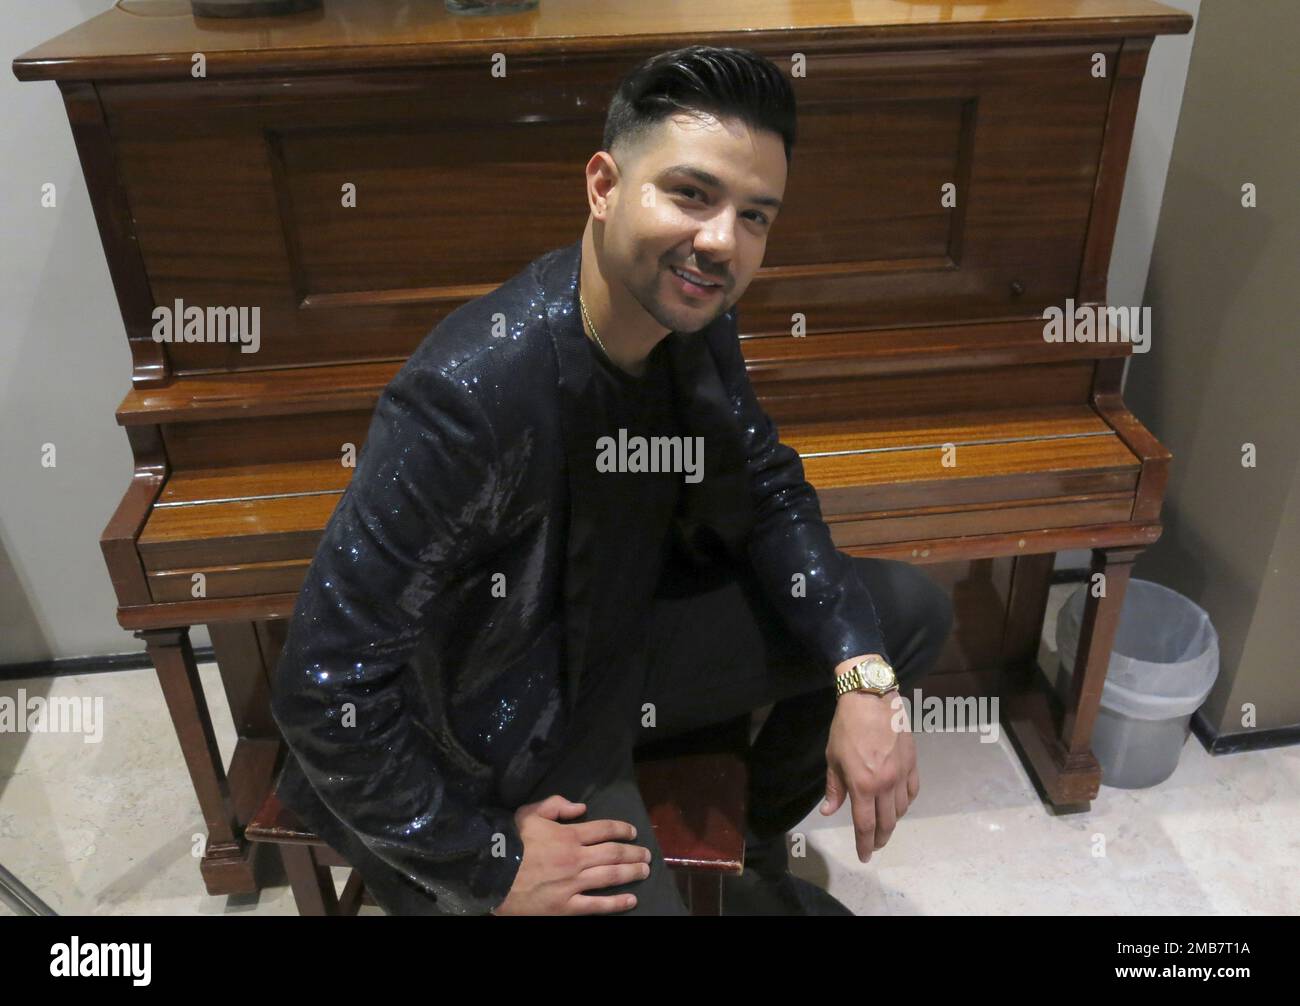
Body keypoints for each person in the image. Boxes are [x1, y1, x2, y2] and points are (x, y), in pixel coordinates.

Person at [270, 45, 953, 916]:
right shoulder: (473, 391)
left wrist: (863, 678)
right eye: (692, 194)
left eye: (754, 217)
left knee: (905, 618)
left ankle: (752, 846)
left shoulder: (694, 309)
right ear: (603, 185)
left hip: (631, 640)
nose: (721, 242)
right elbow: (320, 684)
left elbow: (769, 487)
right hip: (523, 723)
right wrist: (489, 864)